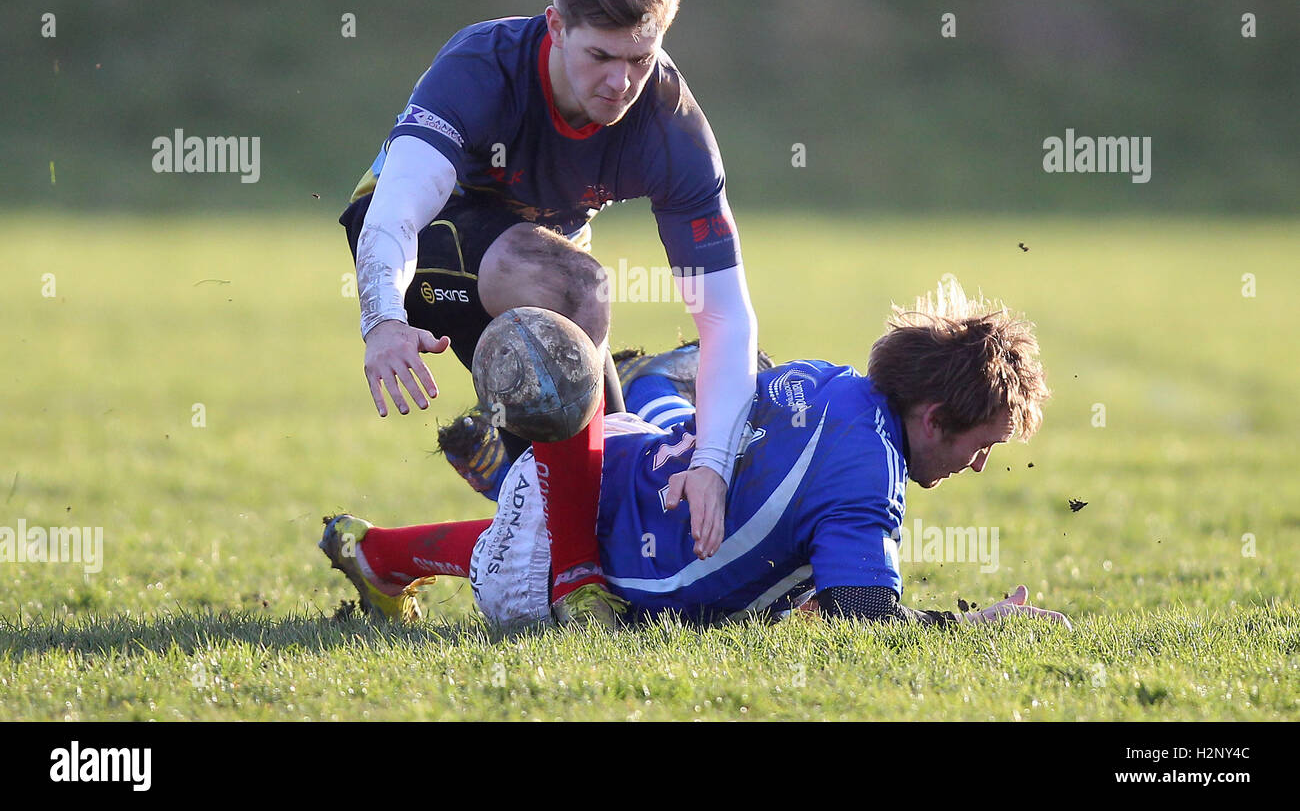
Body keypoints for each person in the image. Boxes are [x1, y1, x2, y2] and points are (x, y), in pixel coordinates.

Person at [338, 0, 759, 624]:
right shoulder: (483, 65)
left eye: (640, 59)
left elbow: (727, 316)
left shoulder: (669, 124)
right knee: (578, 289)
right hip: (423, 268)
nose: (620, 82)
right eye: (599, 56)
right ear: (556, 27)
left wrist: (712, 462)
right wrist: (383, 318)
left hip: (544, 287)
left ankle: (383, 551)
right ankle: (574, 581)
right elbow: (394, 216)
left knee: (615, 488)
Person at [319, 279, 1073, 631]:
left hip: (618, 458)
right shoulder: (867, 483)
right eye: (984, 447)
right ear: (937, 416)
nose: (979, 466)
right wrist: (975, 625)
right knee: (524, 575)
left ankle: (401, 536)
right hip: (568, 554)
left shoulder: (826, 380)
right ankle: (510, 471)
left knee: (684, 414)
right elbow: (864, 617)